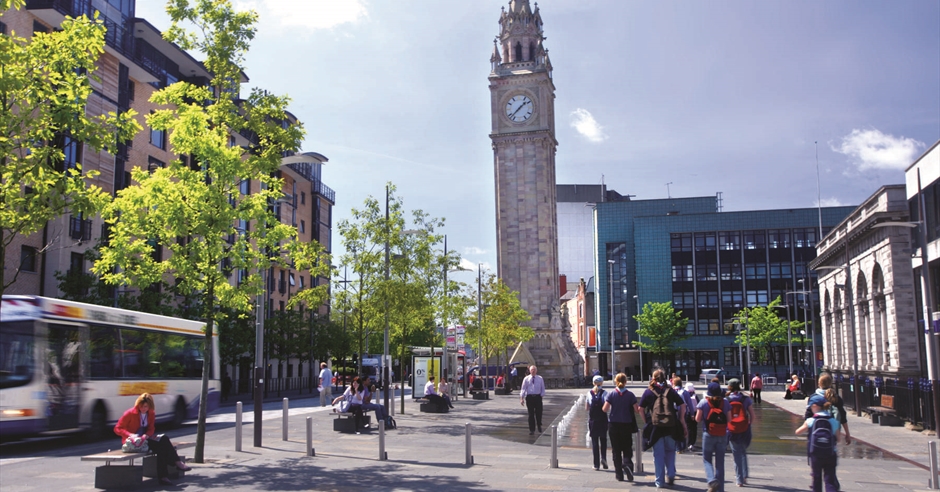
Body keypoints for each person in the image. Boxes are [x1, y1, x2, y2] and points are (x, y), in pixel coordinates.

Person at [114, 393, 191, 486]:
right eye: (141, 406)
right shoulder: (130, 413)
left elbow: (151, 428)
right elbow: (117, 428)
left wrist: (147, 435)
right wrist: (130, 435)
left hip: (145, 440)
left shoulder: (151, 413)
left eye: (146, 406)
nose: (143, 408)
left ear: (150, 406)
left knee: (163, 442)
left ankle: (164, 476)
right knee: (163, 445)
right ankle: (175, 464)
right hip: (133, 443)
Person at [639, 369, 688, 488]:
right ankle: (671, 473)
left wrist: (647, 421)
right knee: (671, 451)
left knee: (658, 455)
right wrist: (681, 420)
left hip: (656, 428)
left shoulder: (648, 392)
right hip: (671, 426)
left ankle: (659, 481)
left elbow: (640, 408)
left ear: (653, 378)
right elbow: (682, 405)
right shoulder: (670, 391)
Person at [804, 372, 851, 489]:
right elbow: (843, 417)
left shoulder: (814, 398)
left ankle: (816, 483)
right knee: (829, 460)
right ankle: (832, 484)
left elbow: (807, 417)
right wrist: (848, 434)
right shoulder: (836, 398)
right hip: (832, 434)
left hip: (815, 435)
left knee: (816, 464)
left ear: (819, 382)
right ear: (830, 383)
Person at [796, 393, 842, 492]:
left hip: (815, 453)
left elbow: (798, 432)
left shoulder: (811, 420)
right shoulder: (833, 421)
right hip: (830, 453)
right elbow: (838, 438)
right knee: (830, 479)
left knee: (816, 478)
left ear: (815, 406)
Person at [603, 373, 640, 482]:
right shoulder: (630, 395)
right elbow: (636, 410)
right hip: (626, 424)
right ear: (626, 381)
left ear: (615, 381)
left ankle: (619, 474)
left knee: (616, 450)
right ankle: (627, 463)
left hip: (613, 424)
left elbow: (605, 409)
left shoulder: (611, 394)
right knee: (627, 447)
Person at [696, 382, 731, 492]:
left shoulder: (703, 402)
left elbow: (697, 419)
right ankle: (720, 490)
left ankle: (711, 480)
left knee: (707, 459)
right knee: (720, 462)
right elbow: (729, 420)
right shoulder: (725, 403)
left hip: (708, 434)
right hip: (722, 434)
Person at [726, 378, 755, 487]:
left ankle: (739, 479)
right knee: (743, 452)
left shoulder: (727, 399)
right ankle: (745, 475)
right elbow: (752, 415)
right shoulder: (745, 399)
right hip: (744, 428)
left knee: (736, 454)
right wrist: (748, 425)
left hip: (732, 429)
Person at [585, 375, 608, 471]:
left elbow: (586, 408)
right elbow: (607, 408)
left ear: (593, 383)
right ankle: (604, 457)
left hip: (593, 420)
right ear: (602, 383)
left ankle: (596, 464)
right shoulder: (605, 393)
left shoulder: (589, 393)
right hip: (602, 420)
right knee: (603, 440)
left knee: (595, 442)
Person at [520, 365, 546, 435]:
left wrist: (542, 396)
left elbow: (543, 388)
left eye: (534, 370)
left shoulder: (540, 378)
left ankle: (539, 425)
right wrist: (521, 398)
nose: (533, 371)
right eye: (532, 370)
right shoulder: (526, 379)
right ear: (530, 371)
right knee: (531, 414)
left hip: (538, 397)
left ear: (536, 371)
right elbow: (523, 389)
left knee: (539, 413)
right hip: (530, 397)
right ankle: (532, 429)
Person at [678, 380, 698, 451]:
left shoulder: (684, 393)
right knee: (694, 429)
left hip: (686, 413)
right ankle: (692, 443)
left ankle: (686, 443)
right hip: (694, 413)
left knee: (687, 428)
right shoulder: (695, 395)